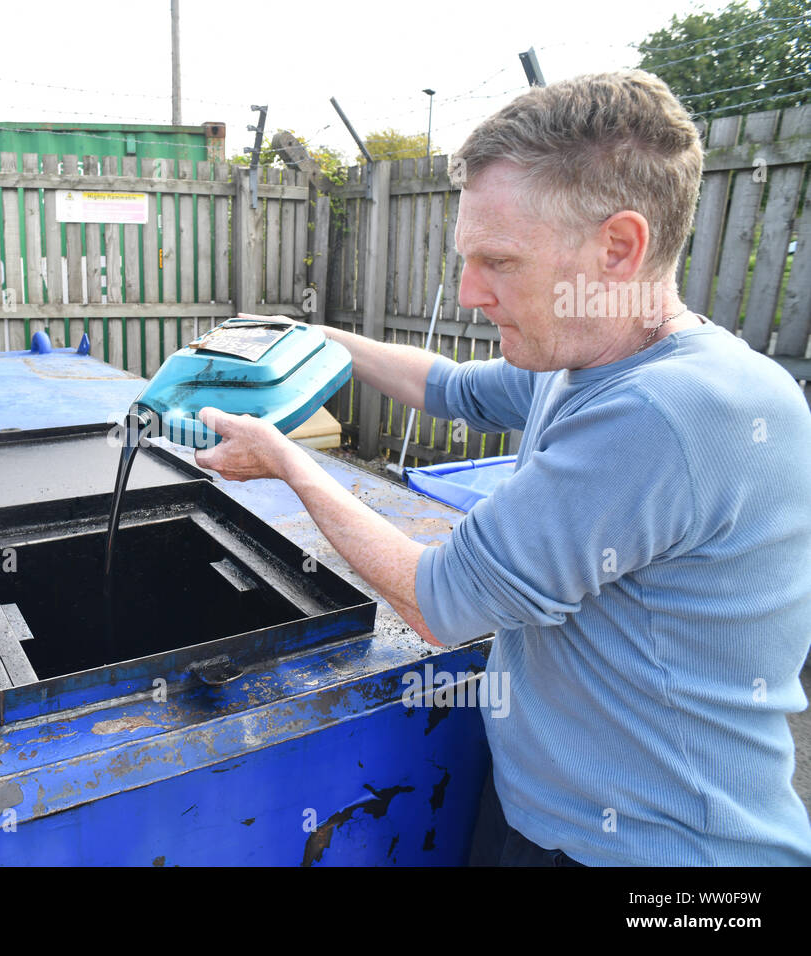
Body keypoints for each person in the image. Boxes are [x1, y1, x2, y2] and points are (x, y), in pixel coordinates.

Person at [193, 70, 811, 866]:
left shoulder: (666, 412)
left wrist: (285, 460)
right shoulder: (593, 357)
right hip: (561, 814)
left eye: (499, 260)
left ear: (619, 248)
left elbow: (440, 599)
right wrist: (313, 339)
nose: (468, 290)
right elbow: (445, 385)